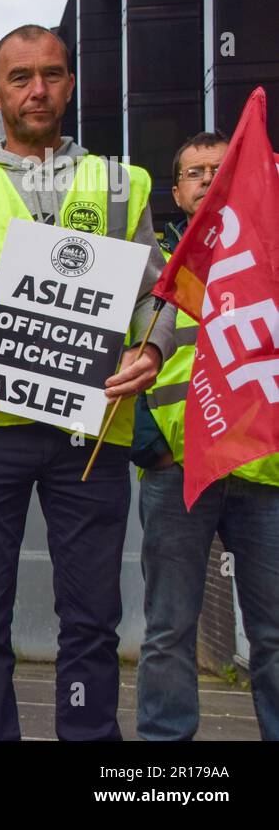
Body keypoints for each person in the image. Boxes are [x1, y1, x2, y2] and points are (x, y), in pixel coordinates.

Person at [0, 23, 174, 741]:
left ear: (70, 84)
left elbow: (158, 295)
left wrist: (152, 348)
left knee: (91, 615)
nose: (38, 89)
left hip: (91, 432)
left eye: (51, 73)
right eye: (20, 78)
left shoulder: (121, 184)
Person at [132, 130, 279, 740]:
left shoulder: (269, 256)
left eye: (222, 170)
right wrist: (151, 447)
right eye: (195, 172)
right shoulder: (152, 262)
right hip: (176, 472)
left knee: (273, 631)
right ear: (177, 190)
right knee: (169, 629)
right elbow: (116, 354)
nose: (209, 181)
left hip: (263, 472)